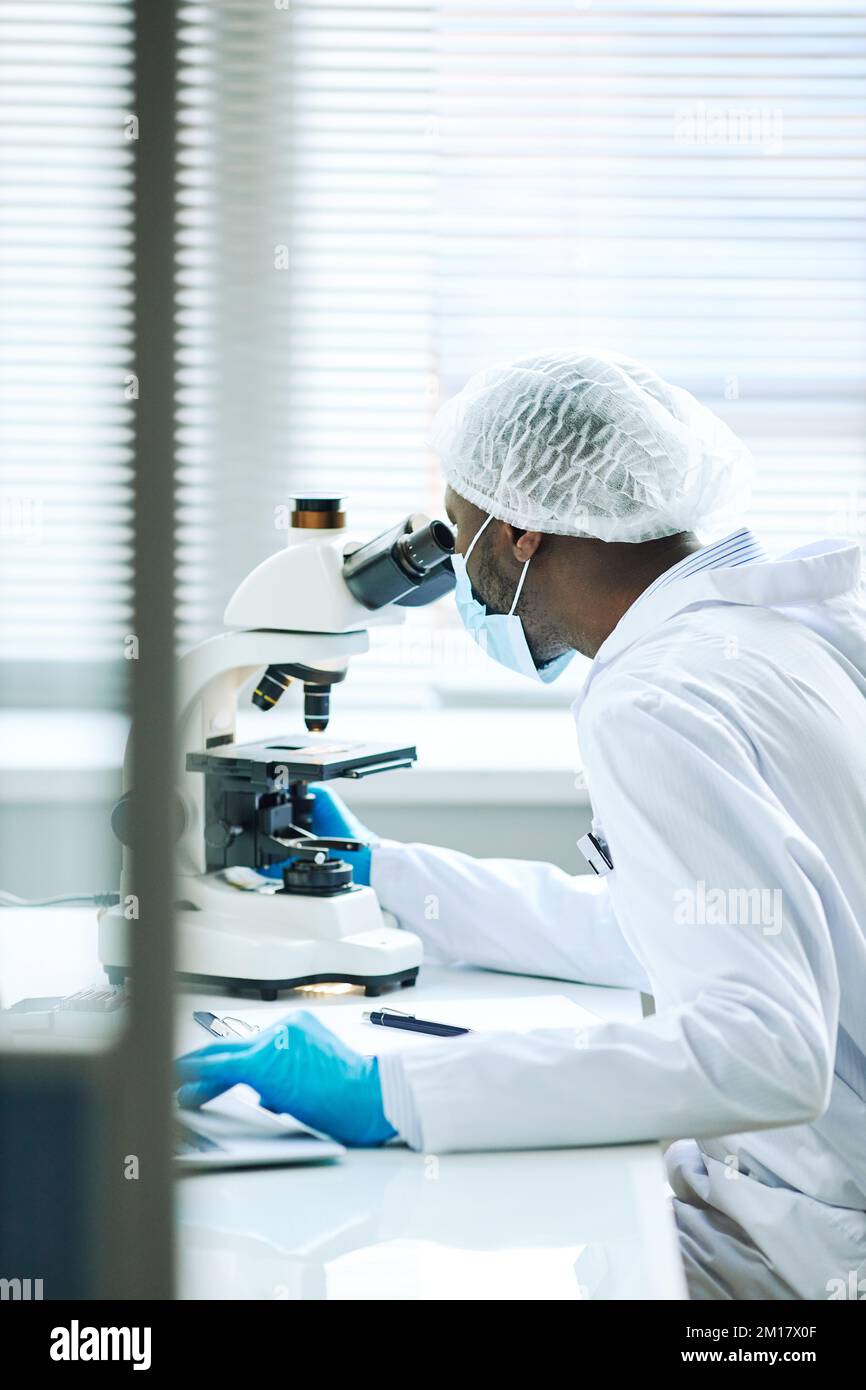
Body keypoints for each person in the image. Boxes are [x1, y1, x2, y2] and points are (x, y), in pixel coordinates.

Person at [178, 350, 866, 1300]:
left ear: (520, 530)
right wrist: (382, 872)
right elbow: (681, 926)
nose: (459, 573)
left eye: (457, 533)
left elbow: (764, 1052)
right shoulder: (776, 633)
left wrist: (391, 1091)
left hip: (815, 1248)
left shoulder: (655, 701)